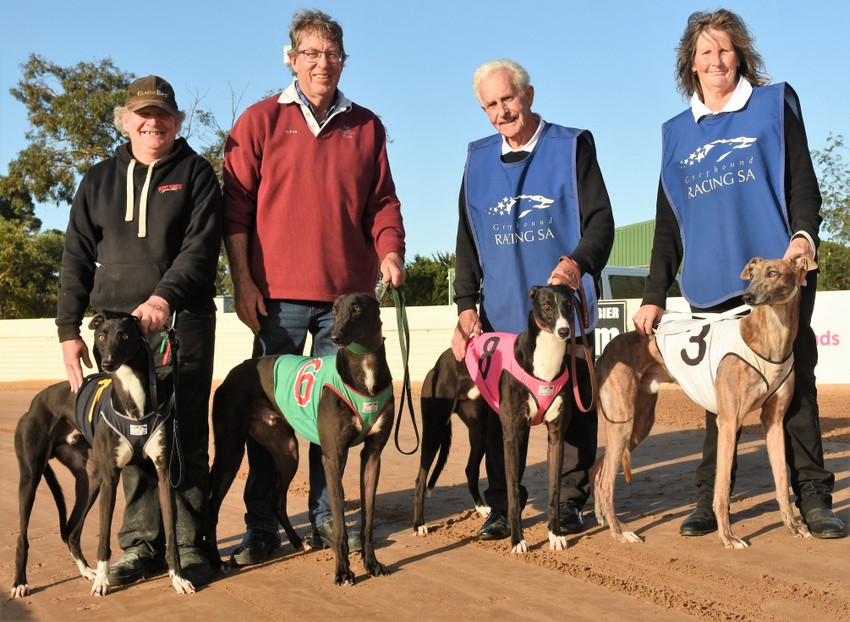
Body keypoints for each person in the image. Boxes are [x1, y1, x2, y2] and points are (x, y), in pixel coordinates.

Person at [632, 8, 845, 539]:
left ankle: (814, 498)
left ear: (740, 54)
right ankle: (710, 500)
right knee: (717, 397)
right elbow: (668, 225)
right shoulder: (677, 135)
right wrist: (655, 294)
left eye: (725, 49)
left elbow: (803, 184)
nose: (717, 60)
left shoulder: (772, 105)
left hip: (777, 278)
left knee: (794, 389)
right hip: (710, 281)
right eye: (705, 53)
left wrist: (801, 237)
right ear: (691, 64)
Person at [222, 8, 405, 564]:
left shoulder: (367, 126)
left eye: (331, 54)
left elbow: (383, 201)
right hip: (275, 300)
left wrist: (391, 250)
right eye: (311, 54)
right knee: (267, 421)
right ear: (292, 59)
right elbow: (235, 211)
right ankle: (260, 526)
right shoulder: (259, 121)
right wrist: (244, 282)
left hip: (346, 307)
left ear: (343, 61)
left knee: (339, 424)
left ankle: (328, 519)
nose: (322, 63)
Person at [57, 75, 223, 585]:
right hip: (114, 332)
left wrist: (162, 298)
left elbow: (200, 249)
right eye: (142, 116)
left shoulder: (196, 174)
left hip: (180, 322)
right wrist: (68, 330)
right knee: (125, 438)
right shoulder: (98, 180)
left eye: (163, 116)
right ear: (126, 121)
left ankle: (189, 546)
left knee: (185, 433)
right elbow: (76, 256)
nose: (153, 124)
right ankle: (142, 544)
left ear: (177, 121)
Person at [452, 59, 614, 541]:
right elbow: (467, 240)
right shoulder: (476, 160)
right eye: (490, 105)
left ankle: (567, 504)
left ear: (529, 94)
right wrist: (465, 305)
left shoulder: (571, 147)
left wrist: (576, 262)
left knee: (573, 417)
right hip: (504, 325)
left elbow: (602, 223)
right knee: (505, 421)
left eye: (508, 99)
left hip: (566, 316)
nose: (502, 112)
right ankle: (505, 505)